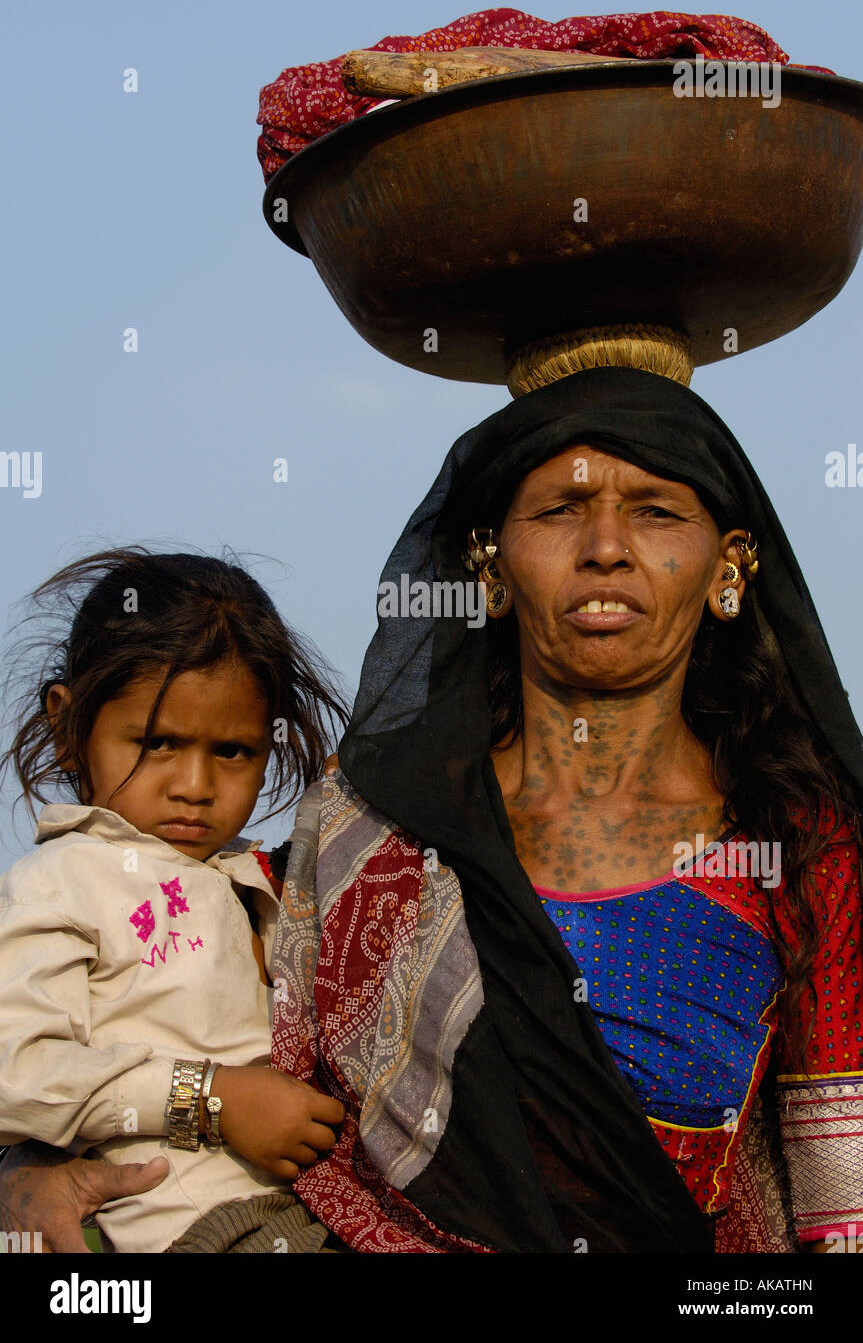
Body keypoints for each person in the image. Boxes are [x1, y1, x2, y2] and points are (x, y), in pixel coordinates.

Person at [3, 369, 862, 1252]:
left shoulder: (797, 846)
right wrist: (25, 1173)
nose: (605, 546)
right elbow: (127, 1011)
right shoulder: (366, 821)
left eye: (653, 511)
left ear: (728, 564)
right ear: (489, 565)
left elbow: (846, 1194)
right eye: (560, 512)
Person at [0, 549, 348, 1252]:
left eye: (232, 752)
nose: (193, 784)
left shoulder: (253, 882)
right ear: (70, 727)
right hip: (203, 1228)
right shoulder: (63, 880)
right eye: (158, 743)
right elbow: (18, 1074)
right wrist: (214, 1100)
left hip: (307, 1216)